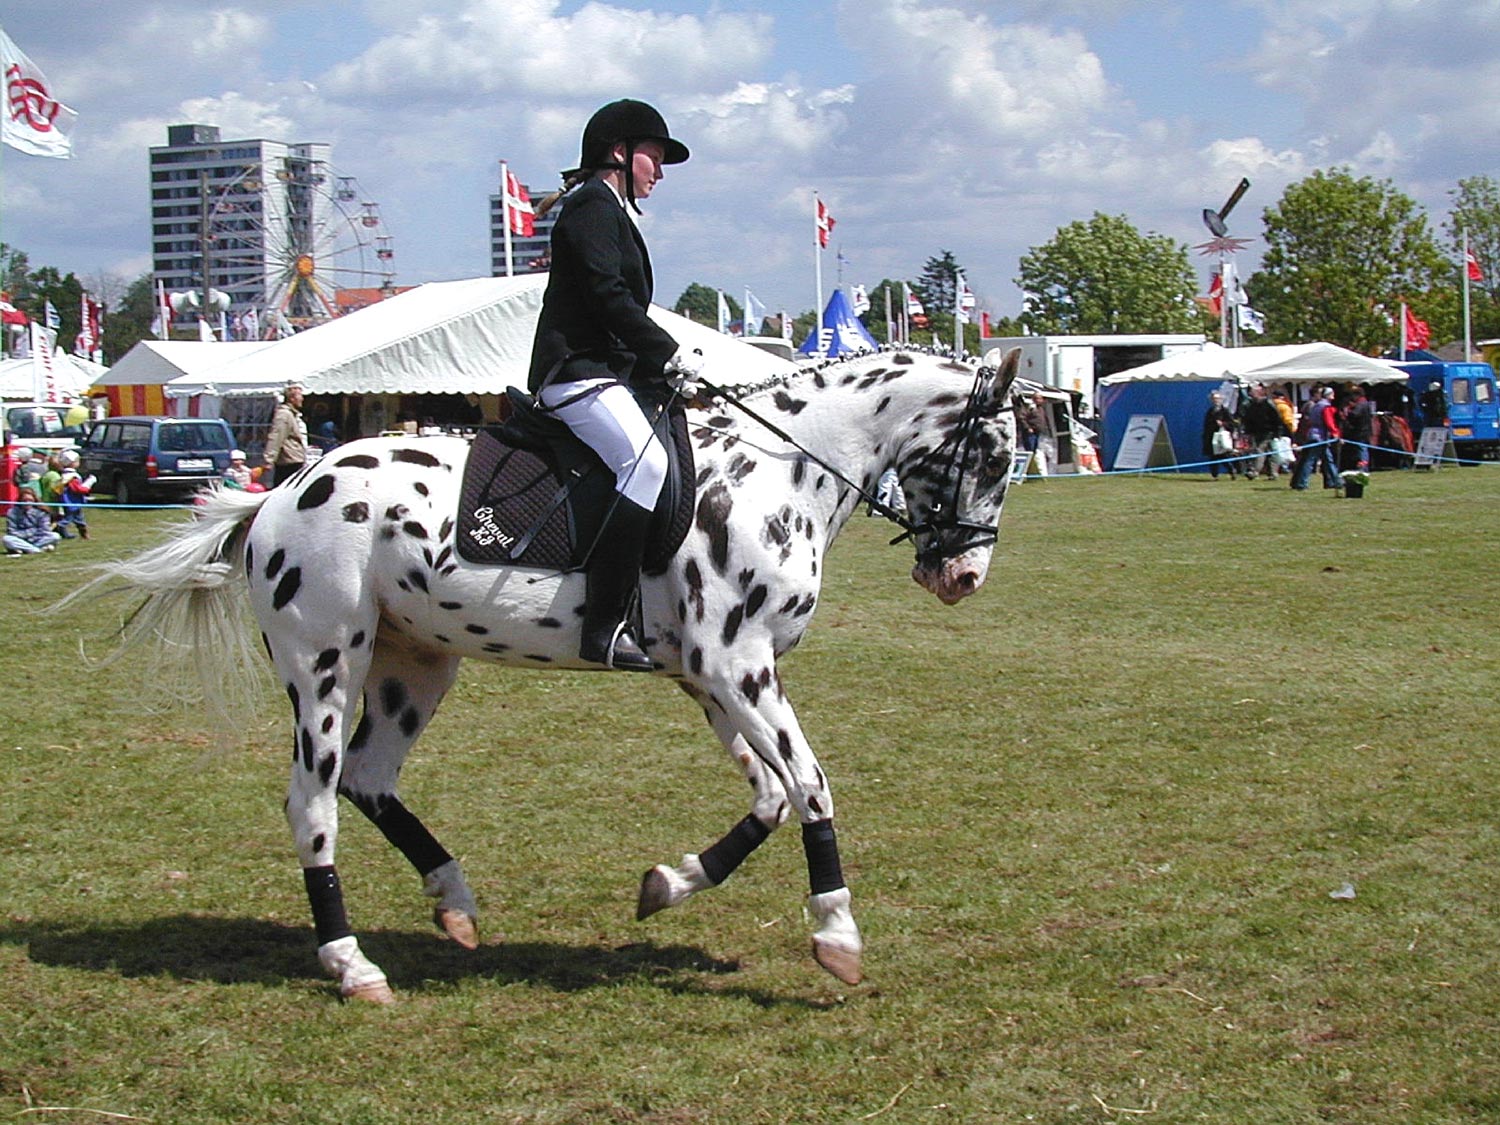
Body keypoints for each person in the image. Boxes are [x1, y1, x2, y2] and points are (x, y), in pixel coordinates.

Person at [527, 98, 699, 672]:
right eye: (654, 155)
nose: (659, 169)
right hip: (574, 373)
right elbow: (609, 300)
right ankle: (603, 626)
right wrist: (668, 352)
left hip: (606, 373)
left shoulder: (611, 210)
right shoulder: (591, 209)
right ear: (620, 154)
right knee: (644, 464)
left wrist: (664, 371)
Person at [1291, 385, 1343, 491]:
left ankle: (1336, 481)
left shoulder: (1316, 405)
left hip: (1314, 434)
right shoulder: (1325, 407)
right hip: (1319, 437)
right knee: (1310, 460)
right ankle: (1302, 483)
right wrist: (1336, 433)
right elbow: (1329, 422)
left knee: (1328, 460)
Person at [263, 384, 309, 486]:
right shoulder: (284, 414)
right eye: (299, 396)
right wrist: (269, 460)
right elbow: (276, 436)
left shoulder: (292, 414)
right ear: (292, 398)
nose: (302, 399)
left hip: (295, 459)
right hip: (289, 461)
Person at [1241, 383, 1289, 479]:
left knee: (1260, 450)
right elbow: (1248, 419)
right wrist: (1247, 431)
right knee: (1270, 452)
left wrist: (1278, 432)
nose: (1251, 393)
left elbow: (1277, 418)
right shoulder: (1250, 405)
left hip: (1269, 432)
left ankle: (1254, 472)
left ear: (1260, 392)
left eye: (1253, 391)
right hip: (1257, 431)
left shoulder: (1268, 403)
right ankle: (1273, 473)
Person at [4, 481, 60, 555]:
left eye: (30, 500)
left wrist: (31, 535)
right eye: (24, 500)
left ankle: (26, 549)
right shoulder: (12, 512)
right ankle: (37, 550)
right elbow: (12, 531)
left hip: (38, 539)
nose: (27, 503)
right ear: (20, 500)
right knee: (7, 539)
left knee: (55, 536)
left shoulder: (41, 512)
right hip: (20, 539)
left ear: (34, 500)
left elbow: (44, 530)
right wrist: (29, 533)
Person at [54, 449, 92, 539]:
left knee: (79, 518)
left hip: (71, 501)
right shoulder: (72, 477)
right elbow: (78, 489)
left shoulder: (64, 475)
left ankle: (84, 534)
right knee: (68, 518)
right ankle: (57, 527)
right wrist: (90, 482)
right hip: (72, 501)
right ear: (72, 463)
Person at [1201, 391, 1240, 479]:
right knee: (1213, 457)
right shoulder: (1210, 411)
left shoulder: (1225, 411)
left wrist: (1223, 424)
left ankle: (1231, 470)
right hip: (1212, 437)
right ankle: (1215, 474)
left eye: (1217, 399)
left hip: (1222, 437)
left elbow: (1232, 424)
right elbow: (1207, 425)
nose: (1216, 401)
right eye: (1214, 399)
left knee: (1223, 456)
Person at [1340, 385, 1375, 471]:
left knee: (1362, 449)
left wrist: (1347, 411)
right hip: (1364, 430)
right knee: (1361, 449)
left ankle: (1363, 468)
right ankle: (1361, 466)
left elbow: (1355, 414)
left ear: (1357, 395)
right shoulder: (1365, 403)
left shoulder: (1361, 404)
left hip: (1361, 432)